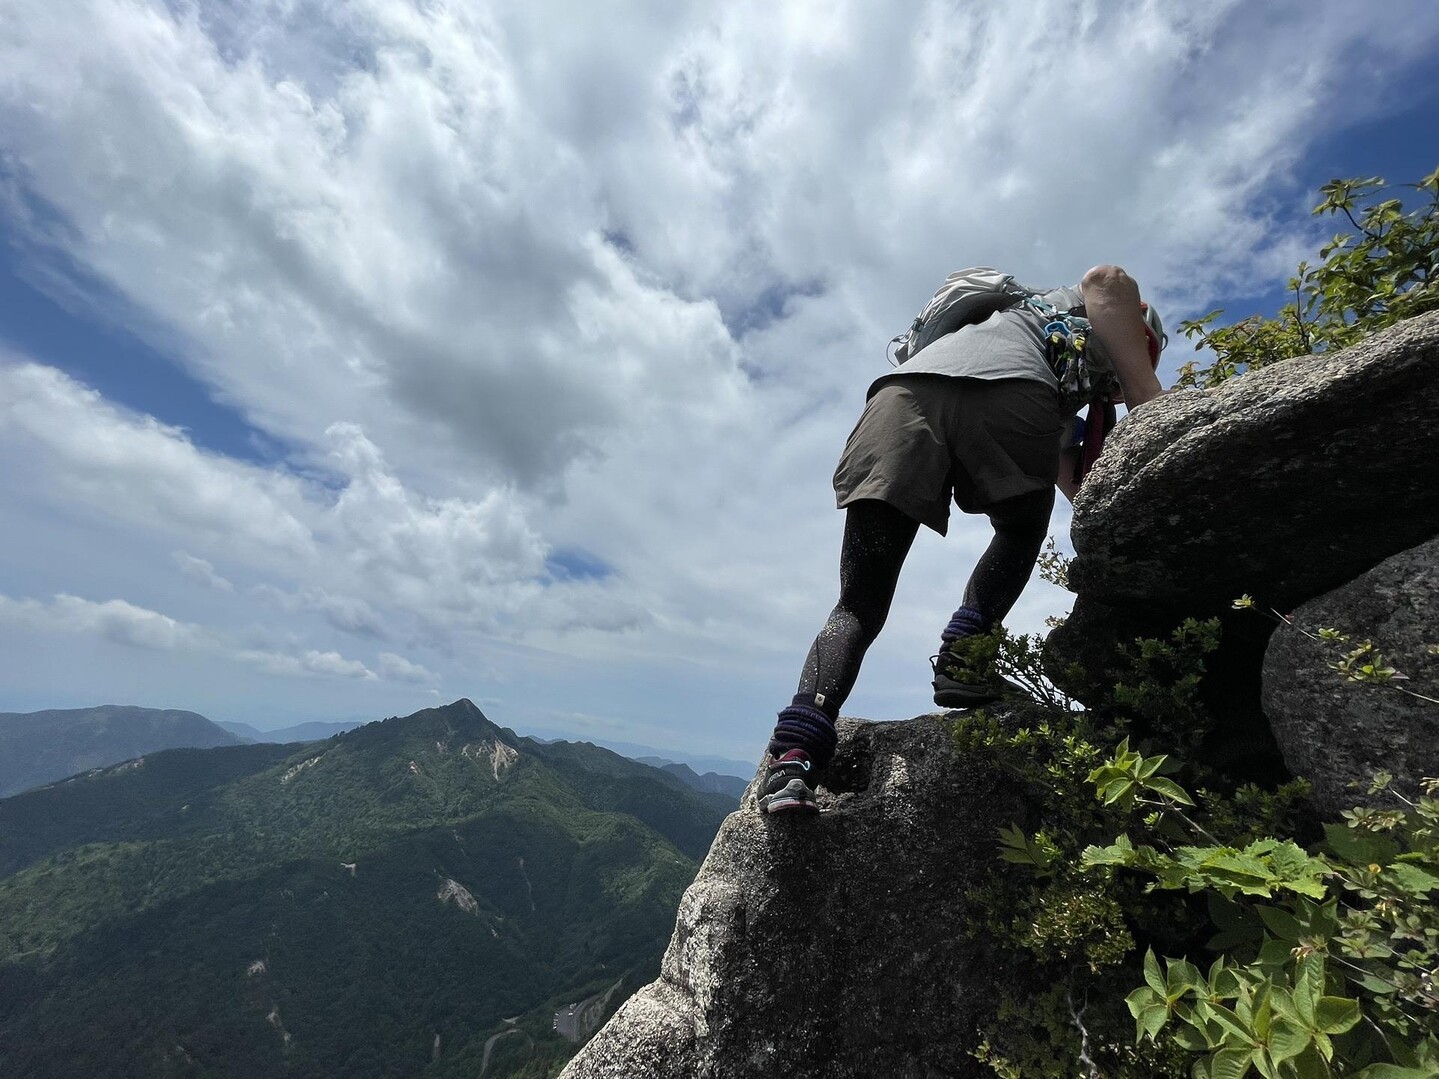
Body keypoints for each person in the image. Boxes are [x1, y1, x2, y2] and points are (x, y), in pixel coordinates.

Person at [758, 264, 1167, 815]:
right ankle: (964, 660)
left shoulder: (1016, 327)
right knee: (1021, 530)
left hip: (898, 400)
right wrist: (1152, 404)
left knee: (858, 603)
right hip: (1014, 396)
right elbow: (1108, 277)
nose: (1114, 394)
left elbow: (1079, 488)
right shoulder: (1096, 312)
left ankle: (793, 761)